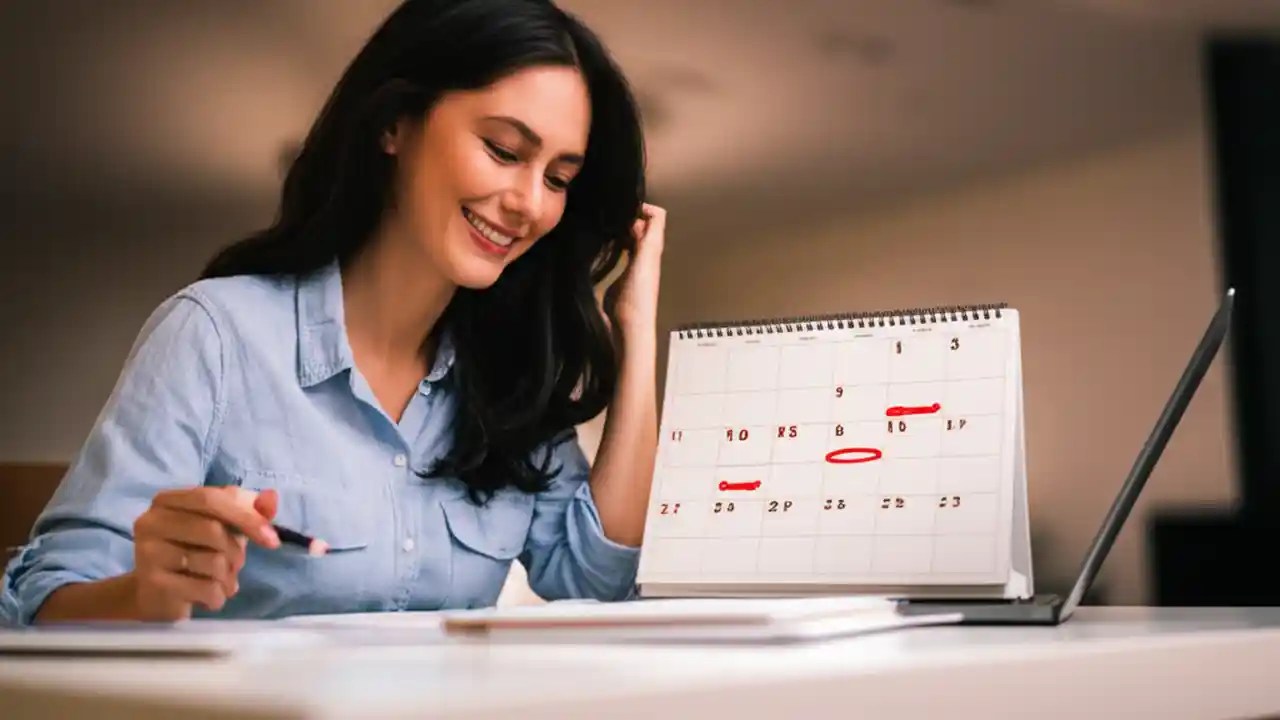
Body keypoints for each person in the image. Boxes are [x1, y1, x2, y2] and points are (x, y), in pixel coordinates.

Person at [0, 0, 662, 625]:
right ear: (394, 124)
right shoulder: (215, 336)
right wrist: (143, 592)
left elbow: (592, 582)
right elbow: (40, 604)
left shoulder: (514, 377)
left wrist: (635, 334)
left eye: (558, 179)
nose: (530, 203)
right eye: (504, 150)